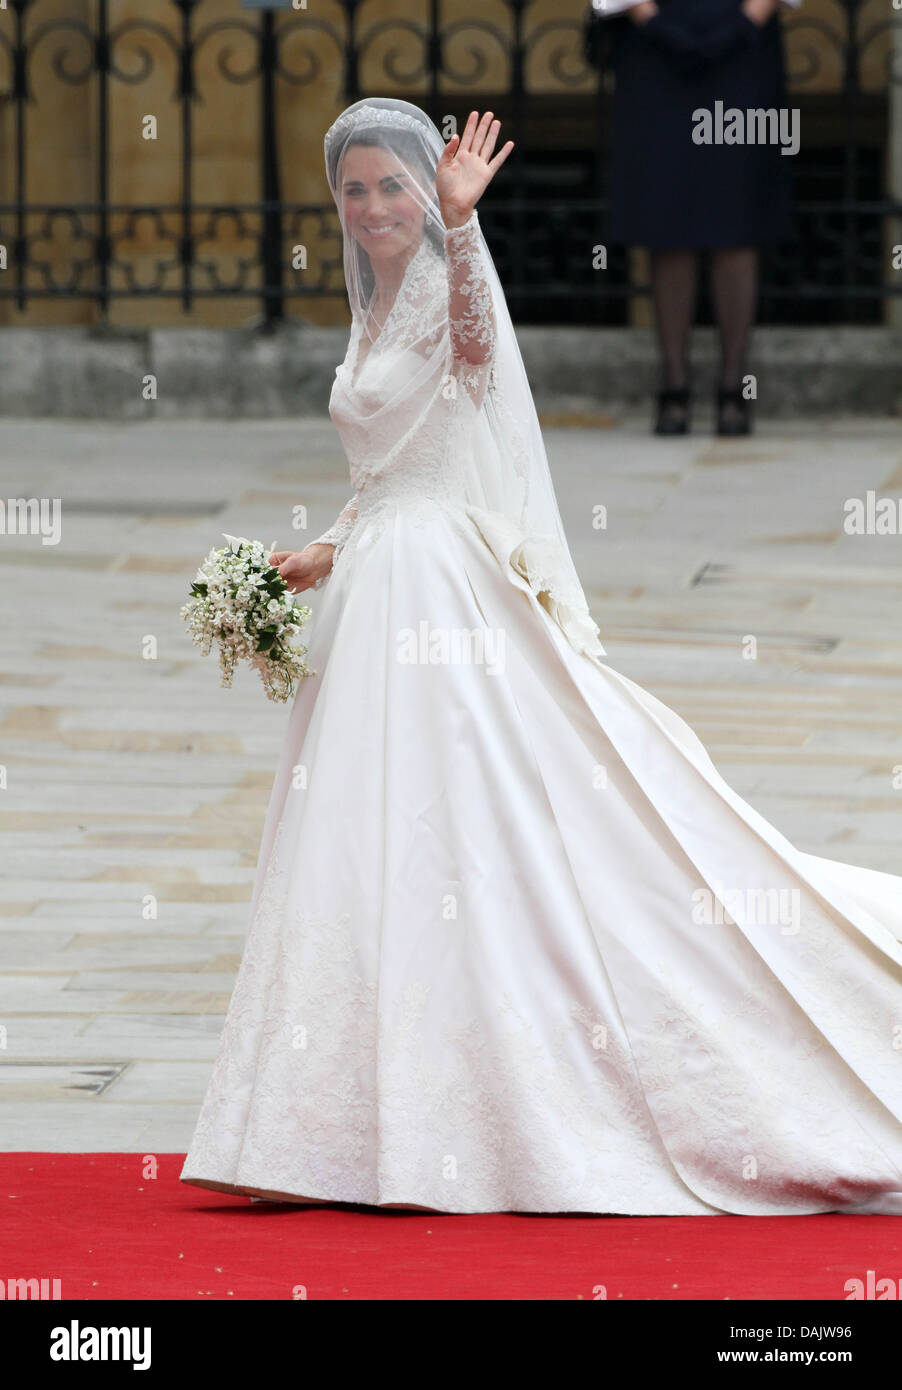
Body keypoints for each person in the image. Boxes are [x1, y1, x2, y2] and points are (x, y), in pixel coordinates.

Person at [180, 99, 902, 1217]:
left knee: (454, 827)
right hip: (379, 577)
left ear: (428, 190)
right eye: (354, 190)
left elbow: (472, 359)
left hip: (435, 595)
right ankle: (344, 1124)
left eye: (392, 186)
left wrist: (461, 229)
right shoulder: (372, 303)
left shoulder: (440, 277)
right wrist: (322, 548)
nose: (373, 207)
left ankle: (452, 1111)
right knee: (369, 834)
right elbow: (404, 461)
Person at [585, 0, 800, 436]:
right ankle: (674, 383)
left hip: (743, 50)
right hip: (654, 52)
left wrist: (746, 23)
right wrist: (652, 20)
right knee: (668, 216)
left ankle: (734, 386)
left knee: (737, 216)